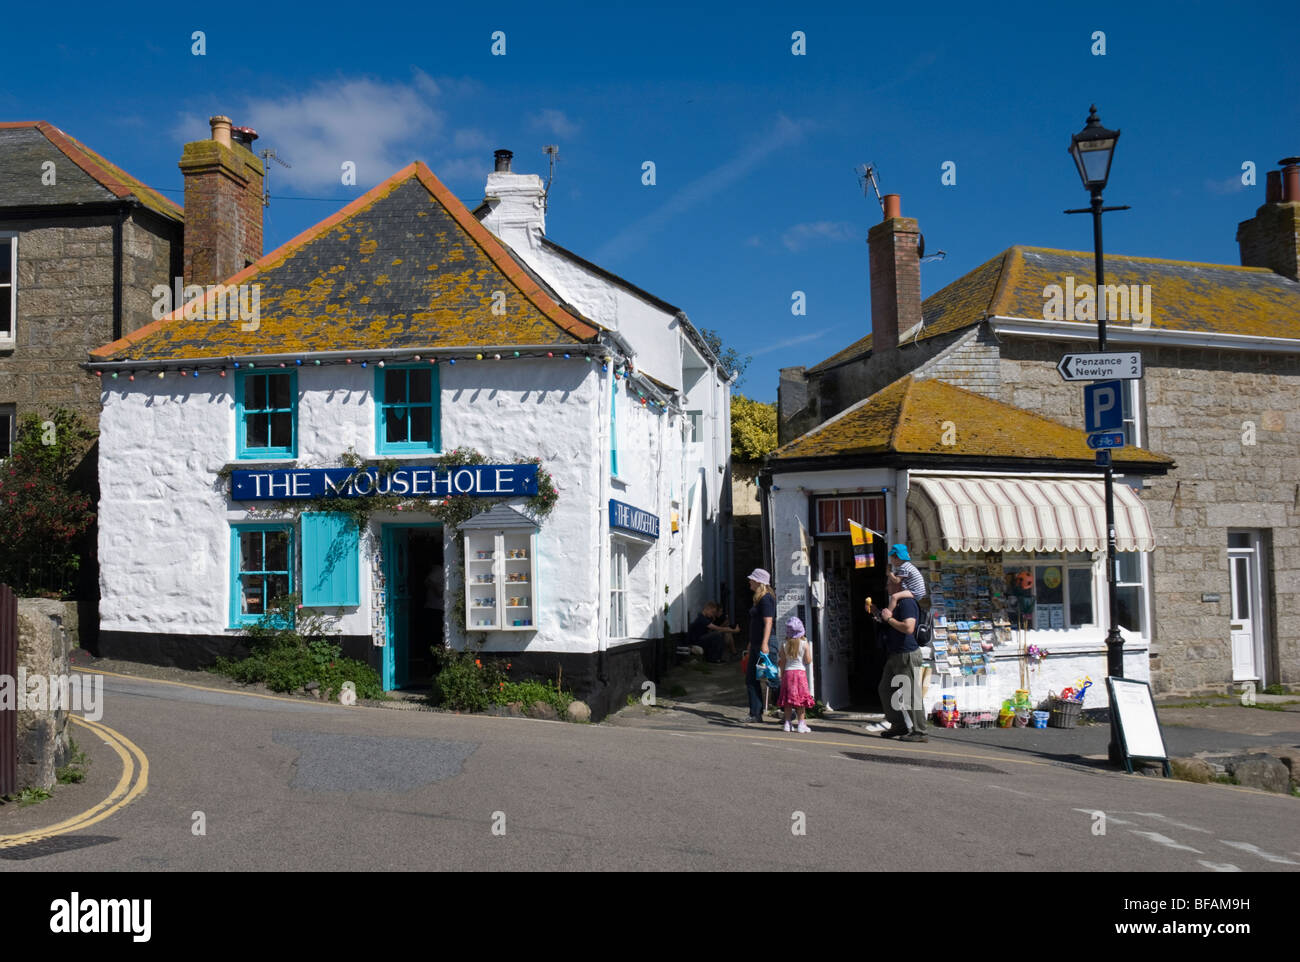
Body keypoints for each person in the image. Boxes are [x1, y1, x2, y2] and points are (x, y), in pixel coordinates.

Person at [874, 571, 927, 742]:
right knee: (885, 689)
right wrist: (879, 615)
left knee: (911, 694)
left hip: (907, 654)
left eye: (889, 583)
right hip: (895, 653)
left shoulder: (907, 603)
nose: (886, 587)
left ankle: (920, 731)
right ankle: (898, 724)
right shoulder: (895, 604)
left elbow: (909, 628)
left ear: (898, 585)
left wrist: (889, 620)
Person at [743, 568, 776, 724]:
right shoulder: (759, 598)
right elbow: (755, 624)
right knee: (751, 678)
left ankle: (788, 708)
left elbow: (768, 622)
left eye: (752, 579)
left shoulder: (766, 599)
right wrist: (751, 642)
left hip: (765, 644)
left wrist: (764, 643)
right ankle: (755, 713)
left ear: (758, 582)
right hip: (756, 643)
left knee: (771, 677)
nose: (749, 581)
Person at [778, 616, 815, 733]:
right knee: (801, 700)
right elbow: (808, 660)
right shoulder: (804, 643)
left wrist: (781, 674)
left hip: (788, 674)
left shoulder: (784, 644)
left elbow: (782, 662)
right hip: (800, 674)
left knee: (788, 701)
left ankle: (787, 723)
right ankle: (801, 724)